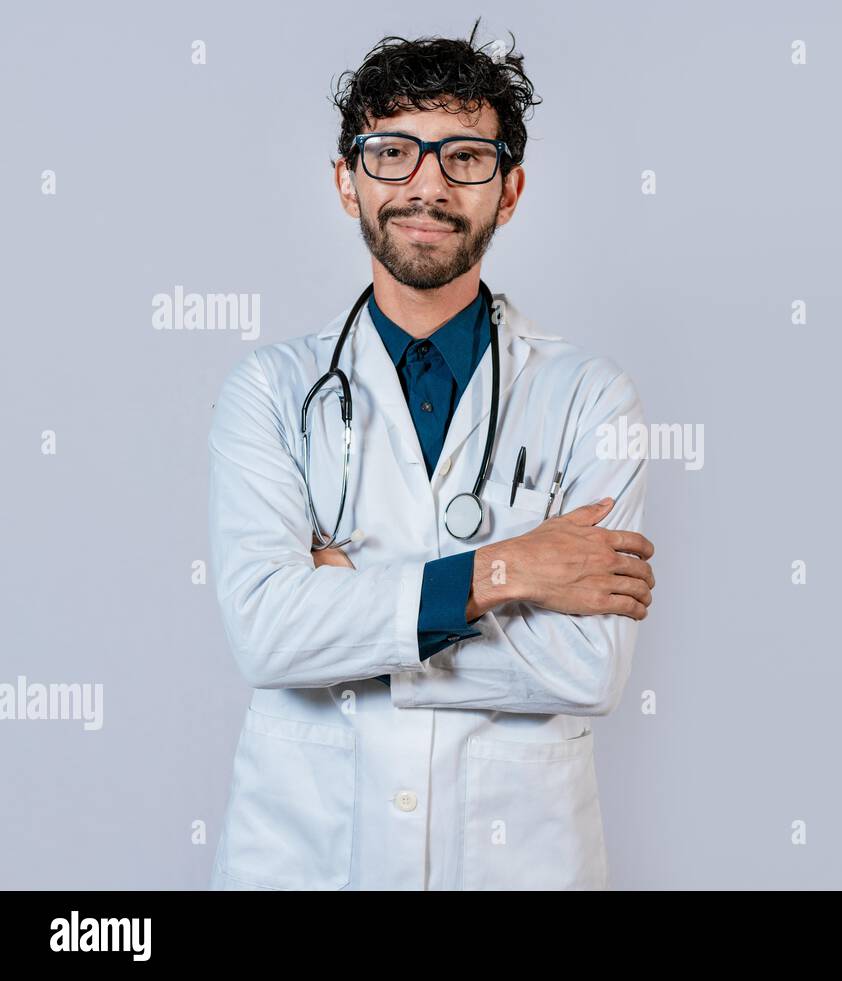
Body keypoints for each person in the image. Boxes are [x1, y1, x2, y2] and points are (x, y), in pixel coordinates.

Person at [206, 23, 654, 890]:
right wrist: (506, 571)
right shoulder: (268, 391)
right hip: (305, 859)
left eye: (464, 158)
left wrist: (351, 619)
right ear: (346, 182)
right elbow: (266, 635)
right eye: (393, 152)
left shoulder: (592, 398)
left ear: (510, 189)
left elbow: (589, 666)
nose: (426, 185)